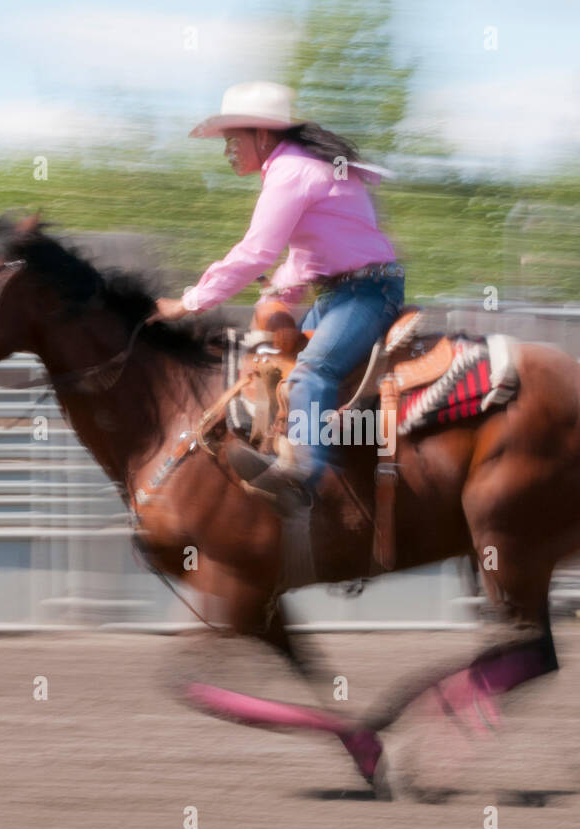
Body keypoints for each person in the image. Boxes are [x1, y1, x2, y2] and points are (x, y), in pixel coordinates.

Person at [151, 81, 405, 511]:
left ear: (263, 136)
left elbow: (256, 252)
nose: (227, 150)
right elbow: (309, 256)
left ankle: (302, 474)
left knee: (311, 371)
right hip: (345, 294)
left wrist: (189, 301)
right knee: (275, 361)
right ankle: (289, 448)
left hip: (367, 293)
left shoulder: (292, 172)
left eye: (233, 140)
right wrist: (277, 292)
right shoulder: (299, 168)